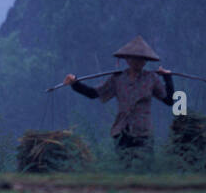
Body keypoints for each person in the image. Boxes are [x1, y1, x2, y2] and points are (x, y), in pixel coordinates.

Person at [63, 35, 175, 169]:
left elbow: (169, 101)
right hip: (122, 130)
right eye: (134, 58)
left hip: (143, 131)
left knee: (145, 167)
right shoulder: (117, 79)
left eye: (141, 59)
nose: (138, 62)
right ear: (127, 59)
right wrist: (75, 83)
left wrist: (168, 78)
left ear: (145, 61)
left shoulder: (151, 79)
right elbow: (94, 94)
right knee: (124, 167)